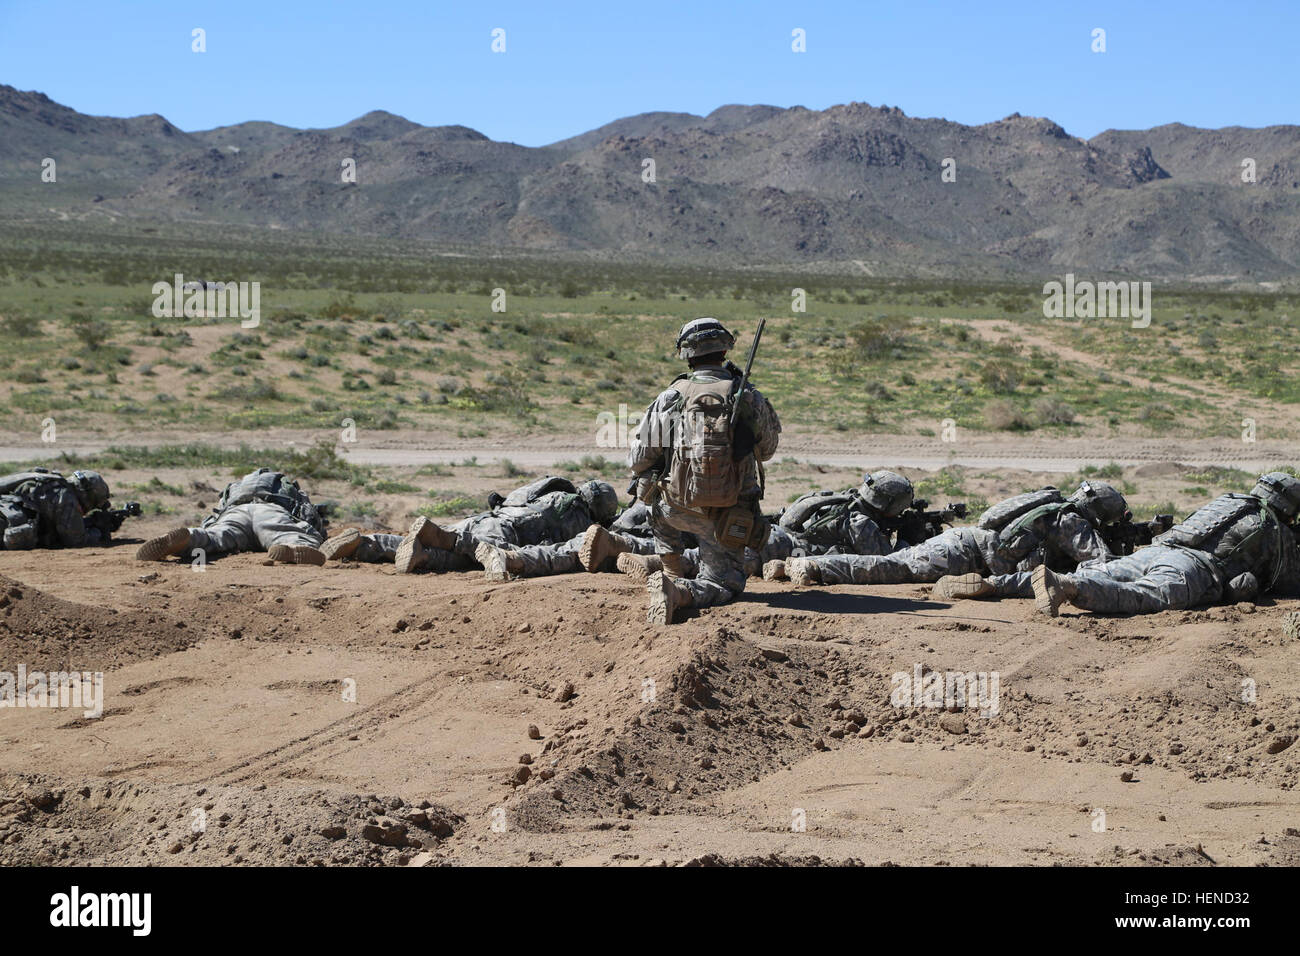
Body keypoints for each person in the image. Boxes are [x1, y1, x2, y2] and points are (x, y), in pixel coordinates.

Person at [627, 317, 781, 624]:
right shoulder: (748, 395)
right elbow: (767, 451)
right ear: (725, 351)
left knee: (647, 484)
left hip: (675, 510)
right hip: (728, 518)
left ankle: (671, 567)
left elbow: (639, 459)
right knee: (726, 585)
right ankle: (680, 592)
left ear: (686, 354)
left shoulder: (671, 396)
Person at [784, 480, 1127, 597]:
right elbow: (1102, 567)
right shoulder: (1071, 522)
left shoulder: (1052, 507)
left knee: (896, 564)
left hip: (967, 543)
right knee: (893, 568)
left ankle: (803, 565)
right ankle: (814, 566)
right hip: (968, 554)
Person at [1034, 472, 1300, 616]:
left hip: (1161, 548)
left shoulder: (1230, 499)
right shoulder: (1274, 529)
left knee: (1100, 570)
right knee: (1142, 595)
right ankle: (1069, 587)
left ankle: (998, 584)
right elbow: (1289, 584)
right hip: (1193, 568)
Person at [136, 467, 327, 565]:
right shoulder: (288, 488)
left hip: (236, 512)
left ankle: (190, 538)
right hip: (271, 511)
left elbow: (216, 515)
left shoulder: (236, 489)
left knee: (216, 537)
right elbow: (308, 516)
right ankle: (294, 548)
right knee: (286, 535)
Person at [0, 468, 115, 549]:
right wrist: (100, 531)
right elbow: (76, 540)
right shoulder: (66, 497)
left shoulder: (47, 480)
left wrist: (91, 522)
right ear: (87, 496)